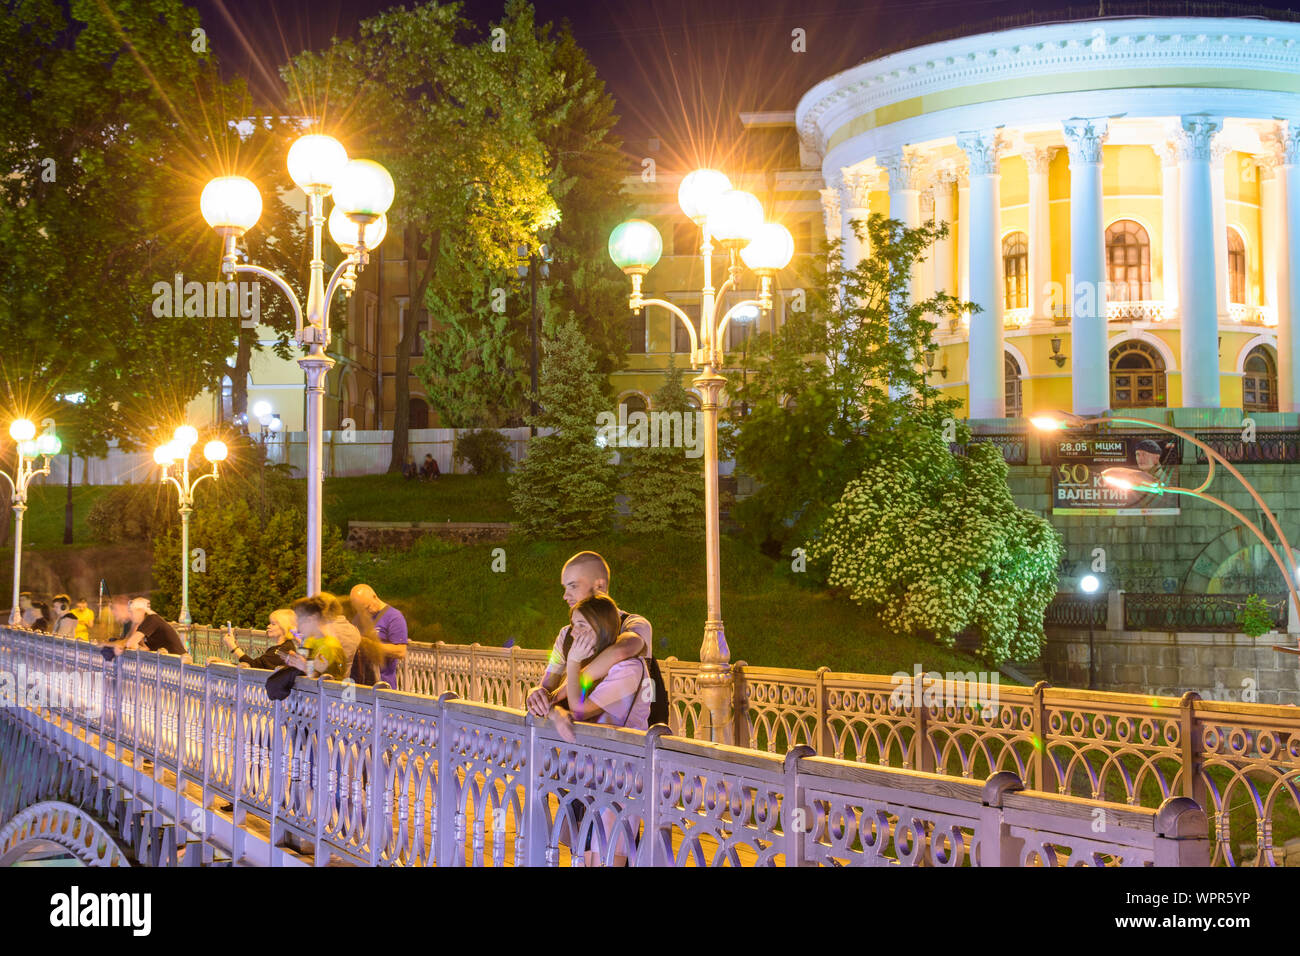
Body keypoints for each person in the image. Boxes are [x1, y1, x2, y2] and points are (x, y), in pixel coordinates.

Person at [547, 594, 650, 867]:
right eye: (573, 625)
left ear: (601, 626)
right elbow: (564, 705)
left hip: (621, 780)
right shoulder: (592, 667)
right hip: (590, 777)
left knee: (606, 858)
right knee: (582, 858)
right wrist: (554, 711)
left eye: (582, 625)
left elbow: (579, 711)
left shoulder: (628, 668)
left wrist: (571, 663)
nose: (574, 632)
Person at [526, 551, 652, 719]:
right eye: (565, 588)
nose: (565, 596)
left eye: (573, 586)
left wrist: (572, 673)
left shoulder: (633, 625)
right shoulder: (566, 634)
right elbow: (547, 685)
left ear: (599, 586)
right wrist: (535, 693)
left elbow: (622, 650)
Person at [349, 584, 408, 688]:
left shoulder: (394, 617)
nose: (365, 613)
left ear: (374, 596)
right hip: (360, 683)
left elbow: (401, 651)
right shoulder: (358, 618)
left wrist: (370, 646)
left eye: (367, 607)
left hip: (382, 684)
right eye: (361, 610)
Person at [283, 594, 350, 680]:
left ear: (312, 618)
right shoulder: (311, 640)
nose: (297, 628)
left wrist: (304, 667)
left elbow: (317, 677)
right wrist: (295, 660)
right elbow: (305, 662)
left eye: (299, 622)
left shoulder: (329, 646)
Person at [103, 597, 188, 657]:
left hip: (177, 665)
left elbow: (131, 643)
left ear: (141, 611)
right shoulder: (148, 620)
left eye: (132, 612)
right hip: (170, 663)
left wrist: (122, 646)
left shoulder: (152, 619)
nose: (131, 616)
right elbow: (146, 648)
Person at [222, 610, 298, 670]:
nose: (268, 626)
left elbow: (254, 666)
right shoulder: (285, 647)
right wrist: (223, 663)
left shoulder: (282, 650)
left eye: (273, 624)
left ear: (284, 628)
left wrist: (233, 648)